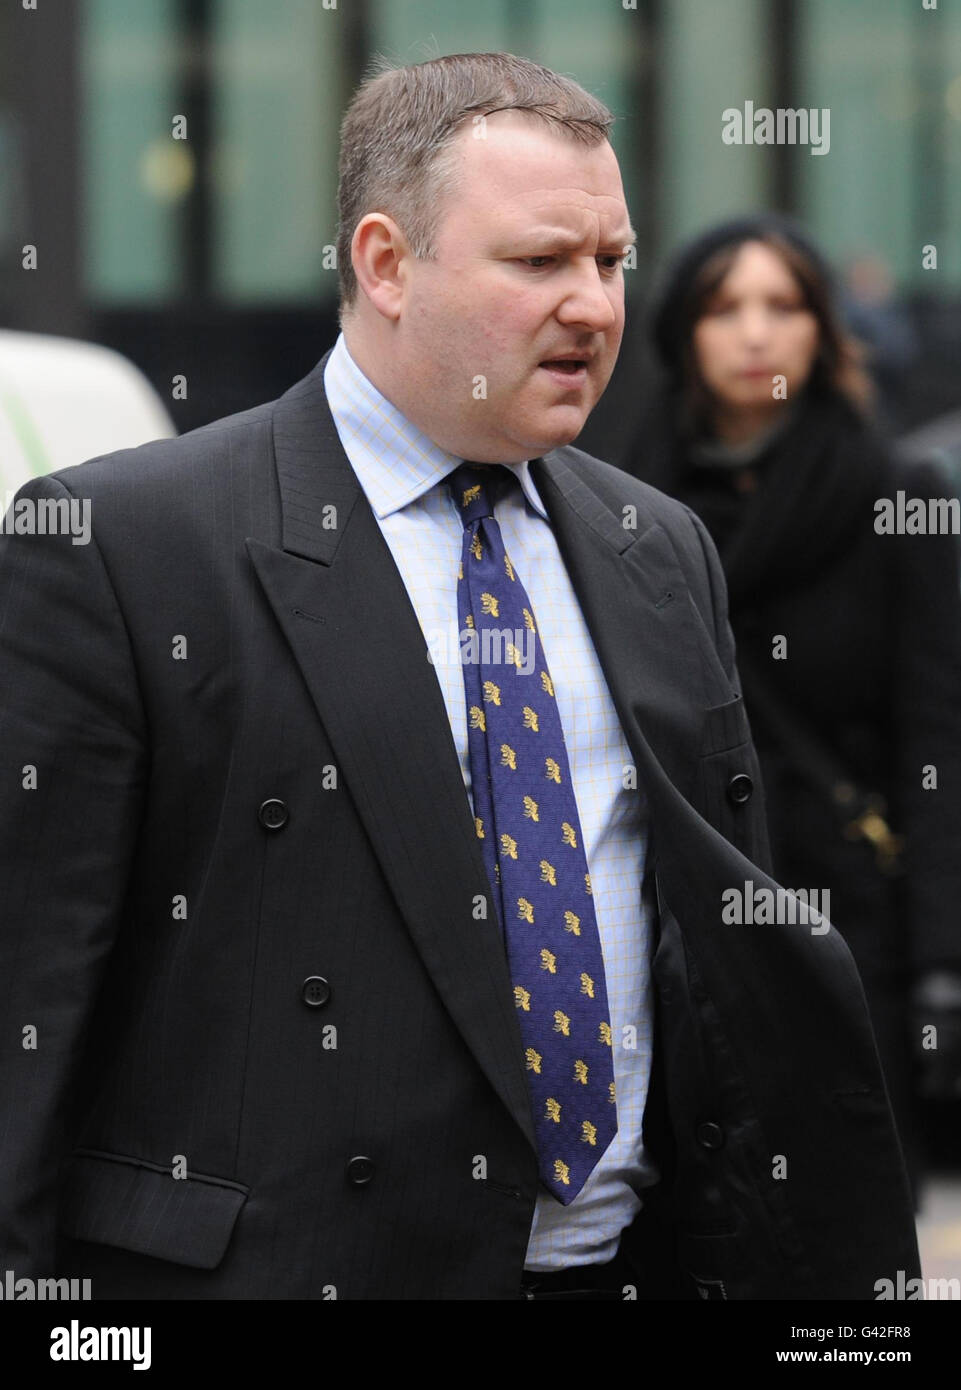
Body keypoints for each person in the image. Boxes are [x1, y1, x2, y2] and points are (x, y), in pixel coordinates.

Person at [0, 55, 919, 1301]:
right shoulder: (125, 546)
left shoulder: (657, 549)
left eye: (610, 260)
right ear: (385, 263)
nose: (594, 306)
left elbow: (714, 964)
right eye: (540, 262)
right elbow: (29, 1004)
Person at [624, 214, 961, 1204]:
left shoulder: (895, 497)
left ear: (823, 331)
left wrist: (945, 962)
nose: (756, 333)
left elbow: (939, 740)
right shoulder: (625, 506)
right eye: (726, 308)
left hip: (850, 934)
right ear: (684, 333)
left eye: (784, 305)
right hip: (671, 932)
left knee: (847, 1249)